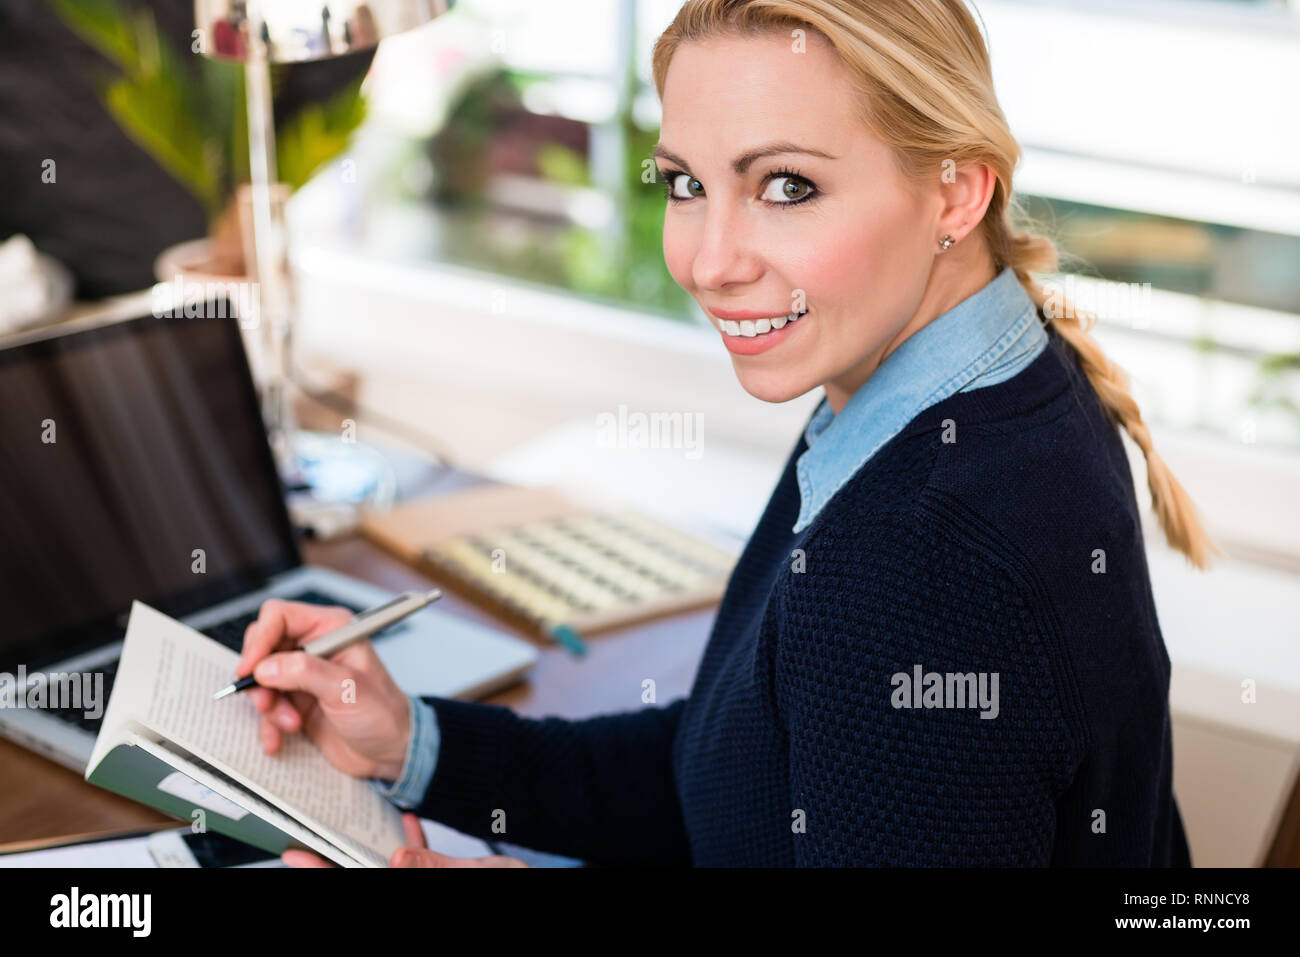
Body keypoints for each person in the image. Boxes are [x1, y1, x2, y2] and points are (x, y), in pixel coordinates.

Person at [237, 0, 1216, 867]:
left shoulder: (918, 555)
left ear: (956, 193)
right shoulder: (956, 388)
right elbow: (735, 779)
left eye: (787, 186)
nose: (707, 262)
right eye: (684, 184)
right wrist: (412, 745)